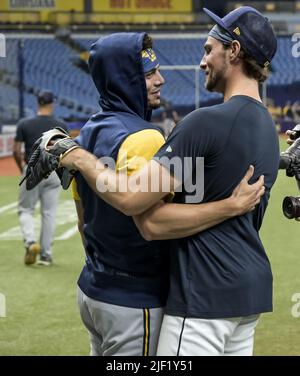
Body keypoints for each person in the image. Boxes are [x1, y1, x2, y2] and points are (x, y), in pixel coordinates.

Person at [56, 6, 279, 356]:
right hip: (249, 294)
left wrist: (78, 156)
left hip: (204, 294)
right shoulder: (268, 129)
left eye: (209, 50)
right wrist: (231, 206)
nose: (202, 61)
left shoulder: (201, 124)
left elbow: (146, 218)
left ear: (234, 51)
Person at [13, 90, 68, 266]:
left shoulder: (24, 123)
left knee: (26, 209)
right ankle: (46, 255)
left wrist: (22, 168)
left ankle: (30, 242)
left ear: (38, 103)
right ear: (51, 103)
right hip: (52, 172)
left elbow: (16, 150)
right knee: (49, 213)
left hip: (31, 168)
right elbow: (67, 150)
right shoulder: (60, 124)